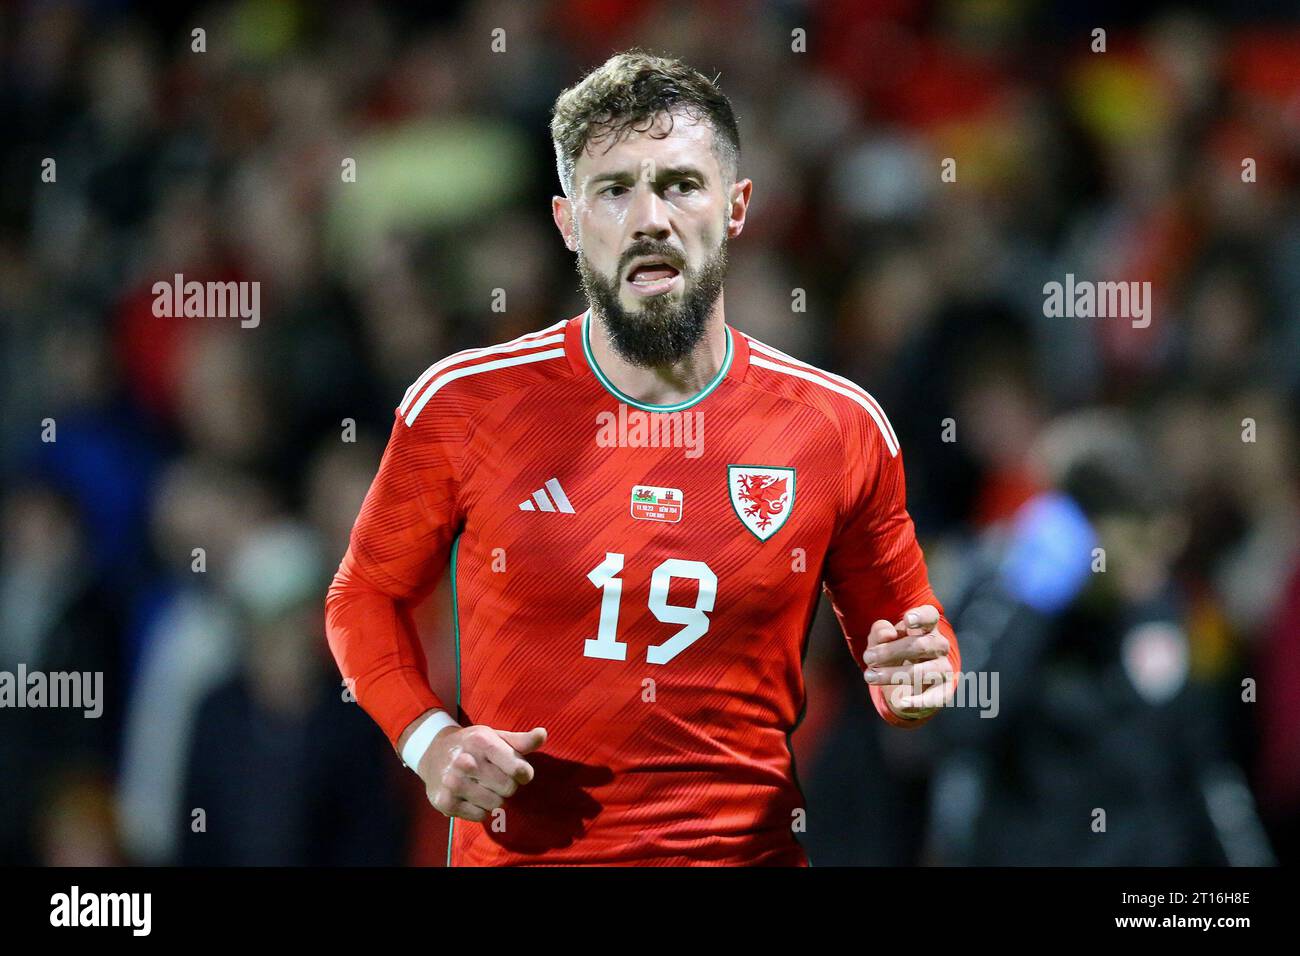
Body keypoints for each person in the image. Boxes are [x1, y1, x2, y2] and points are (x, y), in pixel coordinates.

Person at [325, 49, 959, 866]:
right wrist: (428, 739)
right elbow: (362, 596)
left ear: (736, 206)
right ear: (567, 222)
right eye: (614, 188)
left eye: (681, 184)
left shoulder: (837, 428)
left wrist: (917, 683)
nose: (649, 217)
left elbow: (906, 639)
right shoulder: (464, 405)